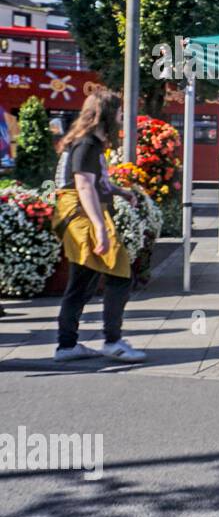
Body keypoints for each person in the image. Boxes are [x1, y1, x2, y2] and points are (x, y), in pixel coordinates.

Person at [50, 88, 147, 363]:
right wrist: (100, 229)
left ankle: (67, 345)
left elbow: (92, 181)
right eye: (119, 110)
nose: (122, 116)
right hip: (83, 217)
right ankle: (112, 341)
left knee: (82, 282)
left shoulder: (89, 142)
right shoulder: (87, 144)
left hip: (83, 214)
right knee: (119, 275)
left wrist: (118, 191)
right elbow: (83, 185)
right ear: (106, 114)